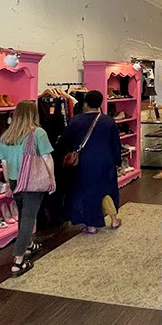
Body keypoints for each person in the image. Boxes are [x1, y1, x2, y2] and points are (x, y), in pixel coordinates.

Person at [0, 100, 55, 276]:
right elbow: (46, 158)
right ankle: (18, 260)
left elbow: (3, 162)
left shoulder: (7, 135)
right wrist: (52, 179)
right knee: (29, 218)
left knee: (23, 214)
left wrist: (8, 183)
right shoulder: (38, 133)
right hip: (31, 181)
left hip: (15, 180)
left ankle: (28, 244)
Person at [61, 89, 122, 234]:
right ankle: (113, 219)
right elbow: (116, 144)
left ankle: (91, 224)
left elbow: (64, 139)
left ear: (85, 103)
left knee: (86, 192)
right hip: (106, 161)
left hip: (84, 162)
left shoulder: (76, 121)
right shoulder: (109, 121)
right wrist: (117, 161)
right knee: (106, 190)